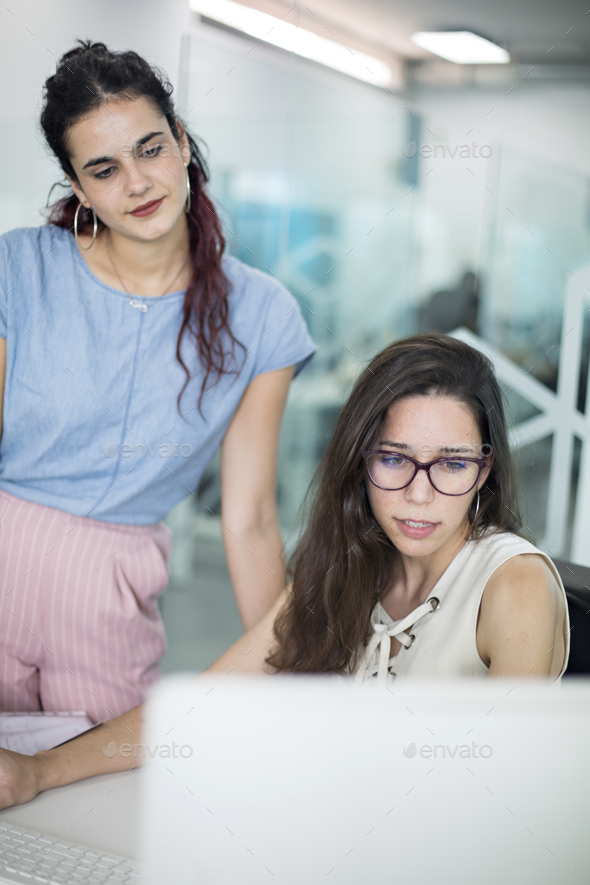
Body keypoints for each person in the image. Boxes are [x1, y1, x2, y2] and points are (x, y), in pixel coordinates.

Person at [0, 333, 570, 809]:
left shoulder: (515, 584)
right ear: (360, 461)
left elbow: (501, 804)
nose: (419, 495)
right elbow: (202, 707)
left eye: (452, 463)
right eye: (393, 458)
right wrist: (39, 772)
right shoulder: (353, 567)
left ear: (486, 468)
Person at [0, 42, 316, 723]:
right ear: (78, 187)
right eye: (104, 169)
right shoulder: (17, 269)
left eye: (150, 149)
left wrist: (293, 680)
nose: (138, 183)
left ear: (182, 145)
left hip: (112, 595)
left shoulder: (262, 315)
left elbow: (252, 517)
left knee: (107, 795)